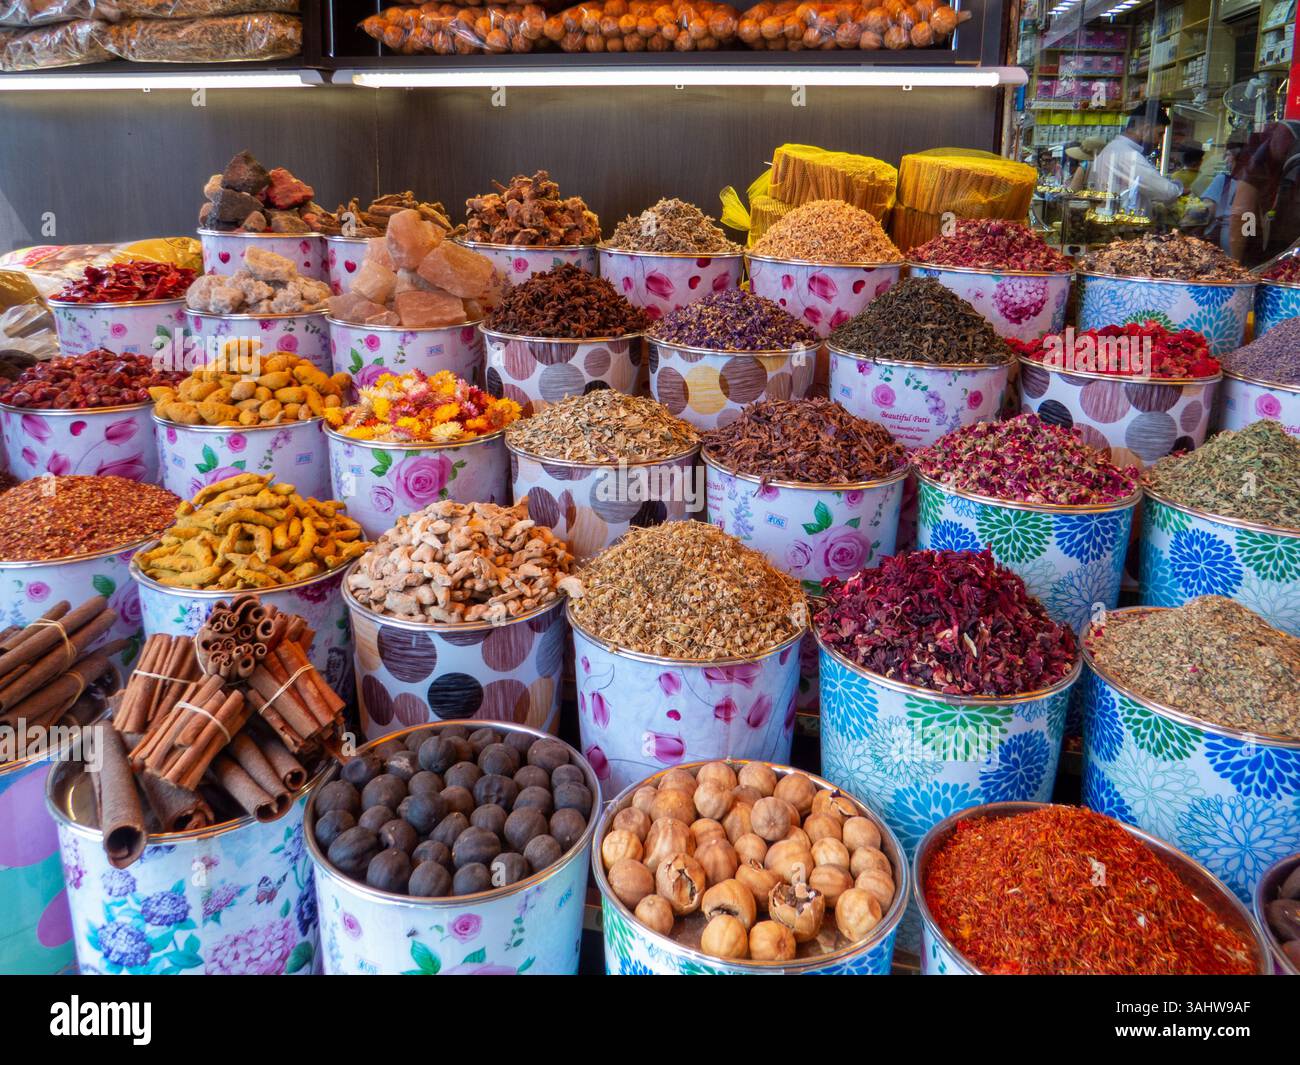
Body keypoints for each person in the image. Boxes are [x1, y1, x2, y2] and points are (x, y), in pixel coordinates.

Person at [1088, 103, 1182, 214]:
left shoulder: (1115, 148)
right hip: (1120, 226)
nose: (1160, 141)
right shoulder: (1126, 154)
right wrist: (1180, 188)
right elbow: (1166, 192)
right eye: (1159, 134)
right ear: (1146, 129)